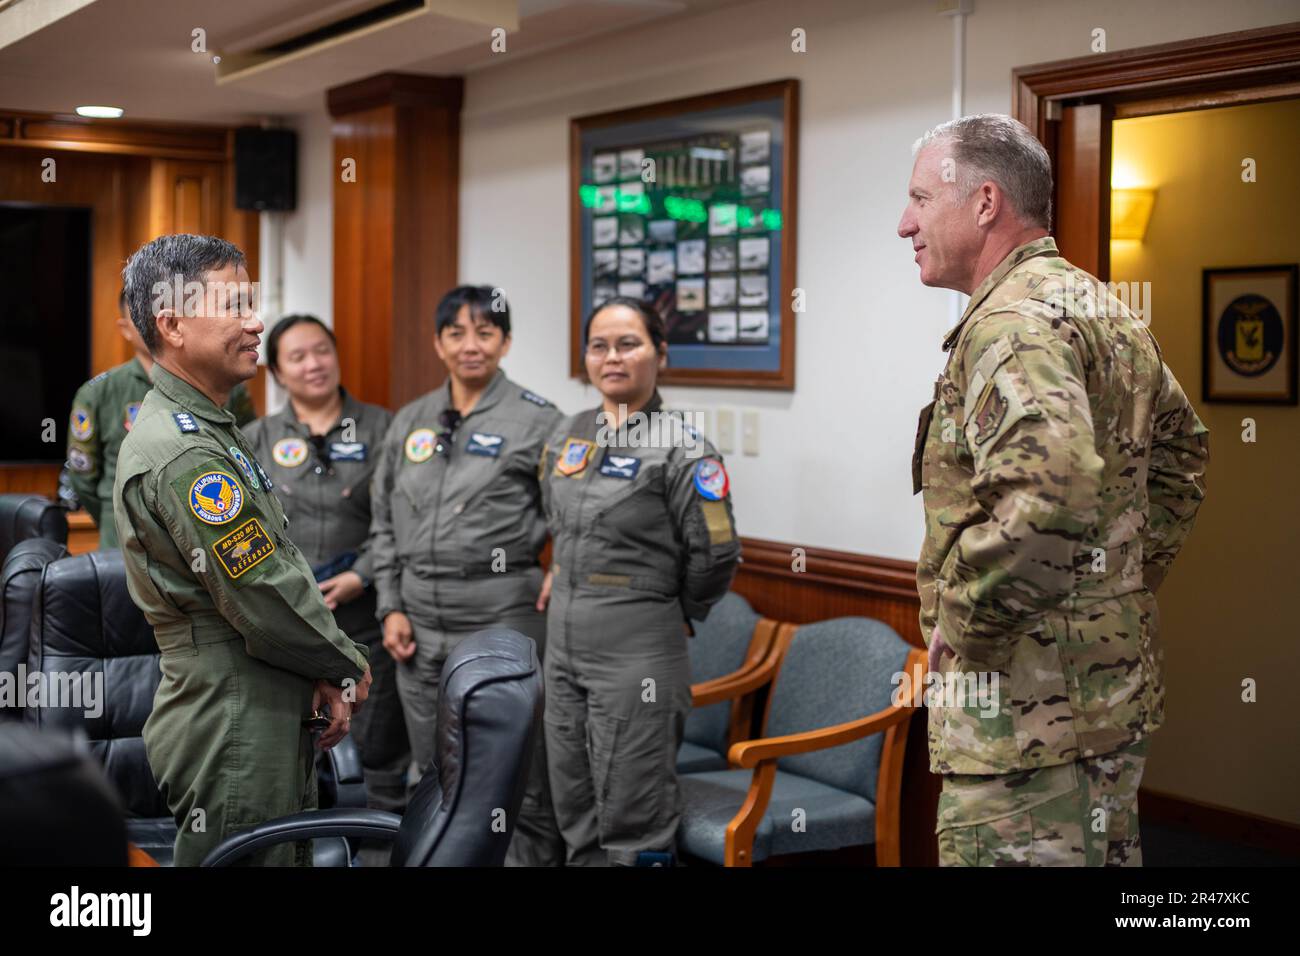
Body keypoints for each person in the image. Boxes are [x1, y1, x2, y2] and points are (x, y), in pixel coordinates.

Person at [898, 114, 1209, 866]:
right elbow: (1183, 458)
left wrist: (967, 624)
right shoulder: (1099, 305)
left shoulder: (1010, 324)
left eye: (918, 199)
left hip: (1021, 717)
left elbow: (1046, 490)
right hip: (1097, 700)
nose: (904, 223)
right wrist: (1115, 584)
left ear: (984, 202)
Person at [112, 234, 371, 866]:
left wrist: (317, 667)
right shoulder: (186, 451)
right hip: (233, 714)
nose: (256, 323)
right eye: (234, 306)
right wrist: (345, 663)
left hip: (255, 692)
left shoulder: (208, 428)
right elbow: (261, 595)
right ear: (171, 323)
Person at [537, 296, 740, 866]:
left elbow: (718, 553)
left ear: (660, 354)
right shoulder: (567, 434)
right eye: (599, 345)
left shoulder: (686, 448)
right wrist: (560, 570)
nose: (612, 357)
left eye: (630, 344)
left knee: (634, 813)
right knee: (573, 807)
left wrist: (676, 608)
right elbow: (558, 520)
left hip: (639, 649)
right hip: (564, 648)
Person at [369, 285, 564, 865]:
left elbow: (575, 508)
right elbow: (383, 521)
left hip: (502, 611)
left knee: (517, 771)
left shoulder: (540, 419)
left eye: (485, 332)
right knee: (438, 771)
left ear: (505, 342)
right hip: (418, 620)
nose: (470, 345)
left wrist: (568, 566)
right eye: (456, 332)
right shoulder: (411, 419)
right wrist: (391, 606)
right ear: (438, 342)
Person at [243, 314, 409, 818]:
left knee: (376, 752)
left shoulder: (383, 427)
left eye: (322, 351)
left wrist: (365, 572)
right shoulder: (256, 439)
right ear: (277, 372)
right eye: (298, 356)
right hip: (287, 627)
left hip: (364, 622)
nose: (314, 364)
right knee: (289, 752)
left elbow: (403, 520)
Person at [66, 289, 255, 549]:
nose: (156, 321)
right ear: (125, 329)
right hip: (125, 542)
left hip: (207, 536)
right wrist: (123, 516)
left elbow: (246, 456)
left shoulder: (223, 385)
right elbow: (83, 476)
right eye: (143, 315)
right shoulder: (99, 393)